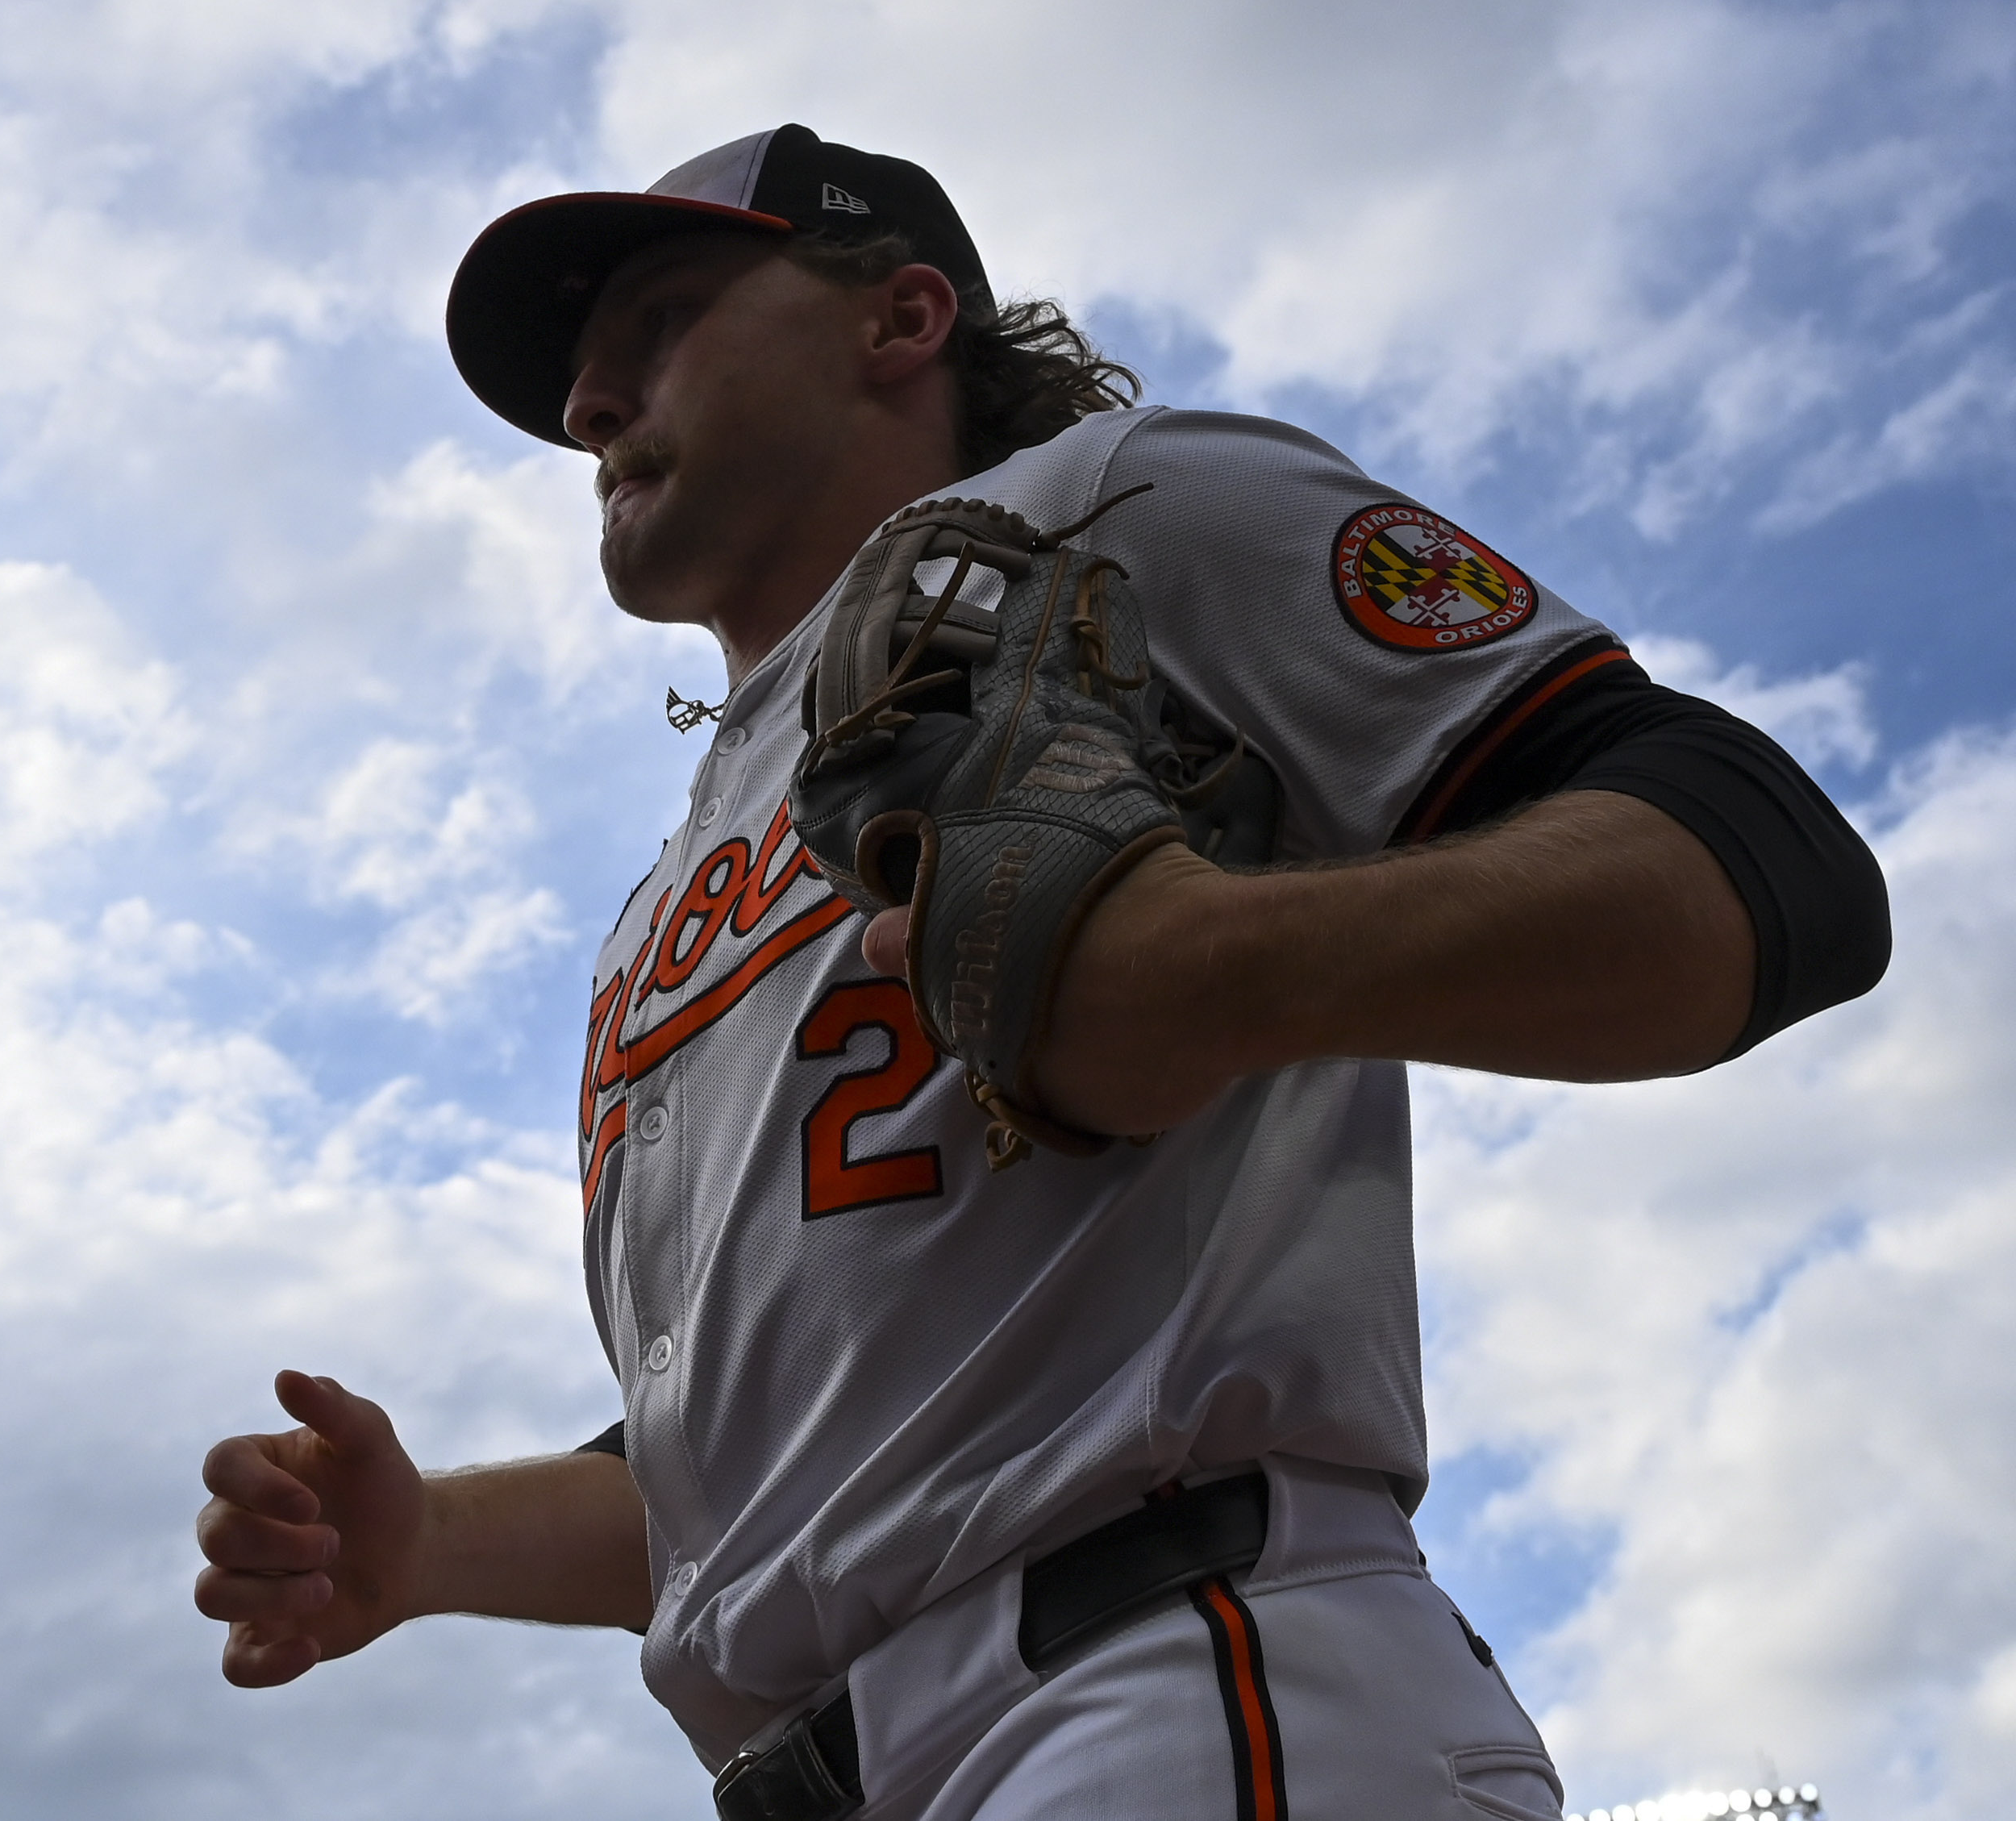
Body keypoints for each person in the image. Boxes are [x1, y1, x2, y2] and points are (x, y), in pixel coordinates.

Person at [192, 126, 1890, 1820]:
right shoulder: (669, 890)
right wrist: (427, 1541)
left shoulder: (1114, 507)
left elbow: (1767, 861)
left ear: (900, 315)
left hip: (1153, 1673)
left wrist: (1225, 972)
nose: (589, 406)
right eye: (582, 375)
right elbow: (767, 1458)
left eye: (658, 326)